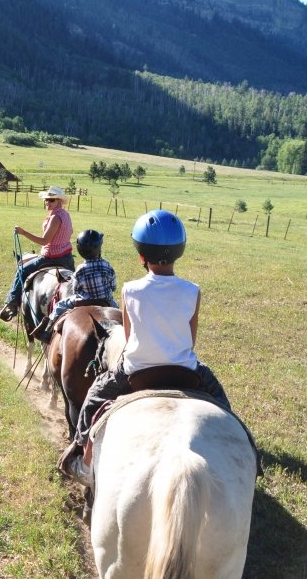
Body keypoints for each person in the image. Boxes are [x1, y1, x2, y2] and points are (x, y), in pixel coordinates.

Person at [58, 209, 232, 487]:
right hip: (185, 369)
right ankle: (242, 446)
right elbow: (191, 338)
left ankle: (84, 462)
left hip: (136, 370)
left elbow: (129, 335)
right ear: (180, 252)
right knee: (223, 404)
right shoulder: (193, 290)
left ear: (141, 255)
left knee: (91, 402)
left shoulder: (130, 290)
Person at [0, 186, 75, 322]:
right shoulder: (66, 215)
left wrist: (24, 233)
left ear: (59, 201)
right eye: (46, 200)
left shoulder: (56, 217)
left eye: (51, 200)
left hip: (51, 258)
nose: (47, 202)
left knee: (22, 270)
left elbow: (44, 240)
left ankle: (12, 303)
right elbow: (70, 232)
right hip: (67, 259)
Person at [37, 229, 118, 343]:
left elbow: (75, 290)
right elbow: (114, 286)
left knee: (59, 306)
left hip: (84, 301)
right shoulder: (107, 266)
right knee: (117, 310)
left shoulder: (79, 270)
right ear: (99, 248)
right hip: (106, 300)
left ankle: (48, 330)